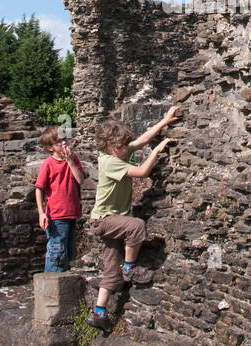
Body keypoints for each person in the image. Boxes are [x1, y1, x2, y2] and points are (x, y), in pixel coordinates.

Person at [86, 104, 182, 329]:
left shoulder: (117, 152)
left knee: (110, 268)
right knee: (137, 226)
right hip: (104, 220)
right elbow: (141, 173)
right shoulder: (109, 162)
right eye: (121, 146)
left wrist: (164, 121)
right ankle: (129, 267)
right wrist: (157, 152)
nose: (125, 149)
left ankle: (99, 312)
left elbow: (141, 141)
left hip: (113, 220)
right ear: (110, 146)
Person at [34, 126, 84, 273]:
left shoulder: (73, 158)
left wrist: (70, 162)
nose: (64, 144)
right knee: (56, 253)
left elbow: (80, 180)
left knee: (68, 251)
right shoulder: (47, 164)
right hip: (56, 215)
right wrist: (41, 213)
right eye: (59, 142)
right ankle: (51, 285)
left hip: (71, 212)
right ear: (50, 148)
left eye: (65, 140)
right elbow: (39, 189)